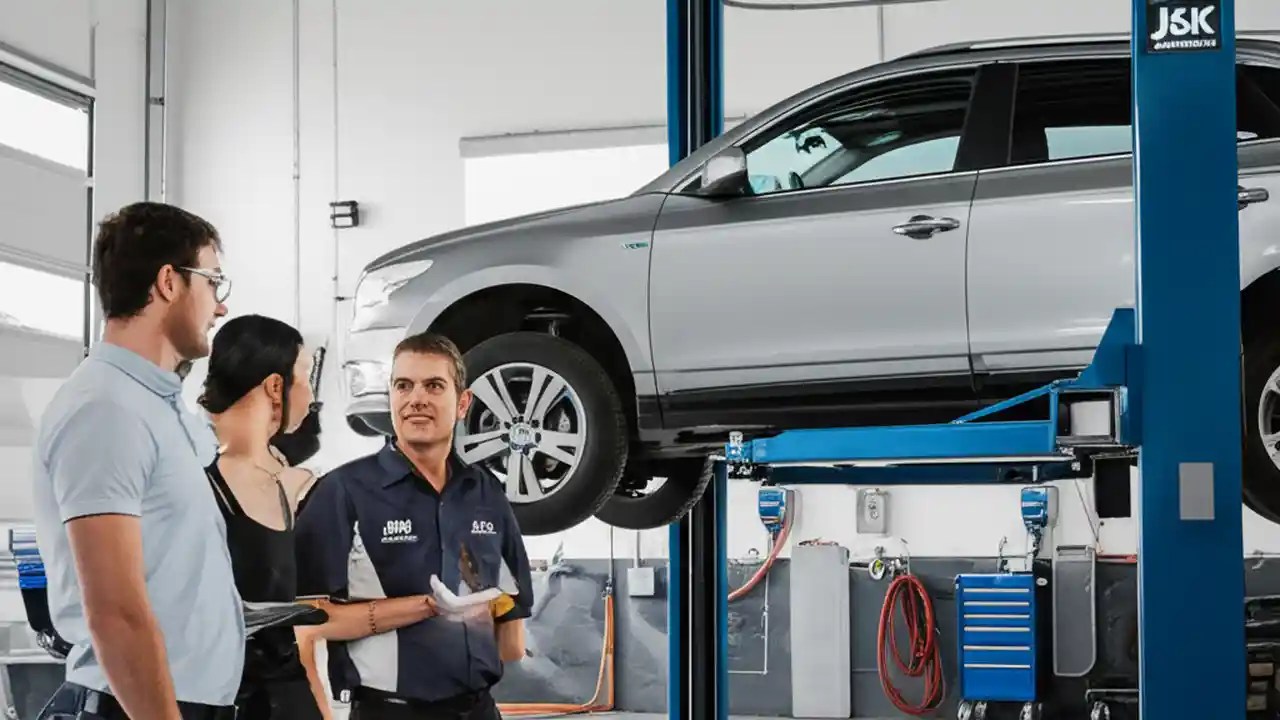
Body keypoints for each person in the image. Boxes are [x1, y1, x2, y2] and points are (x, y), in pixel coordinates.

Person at [30, 201, 245, 719]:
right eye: (214, 283)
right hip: (135, 706)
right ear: (169, 281)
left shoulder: (153, 405)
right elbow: (114, 611)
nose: (220, 307)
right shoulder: (106, 409)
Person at [295, 332, 535, 720]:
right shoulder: (344, 491)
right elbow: (304, 623)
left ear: (462, 403)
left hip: (479, 710)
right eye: (403, 385)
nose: (416, 398)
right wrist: (422, 609)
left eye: (433, 385)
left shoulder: (487, 493)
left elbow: (511, 636)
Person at [197, 314, 329, 720]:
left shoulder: (294, 486)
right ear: (276, 386)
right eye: (304, 378)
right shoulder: (194, 478)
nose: (309, 397)